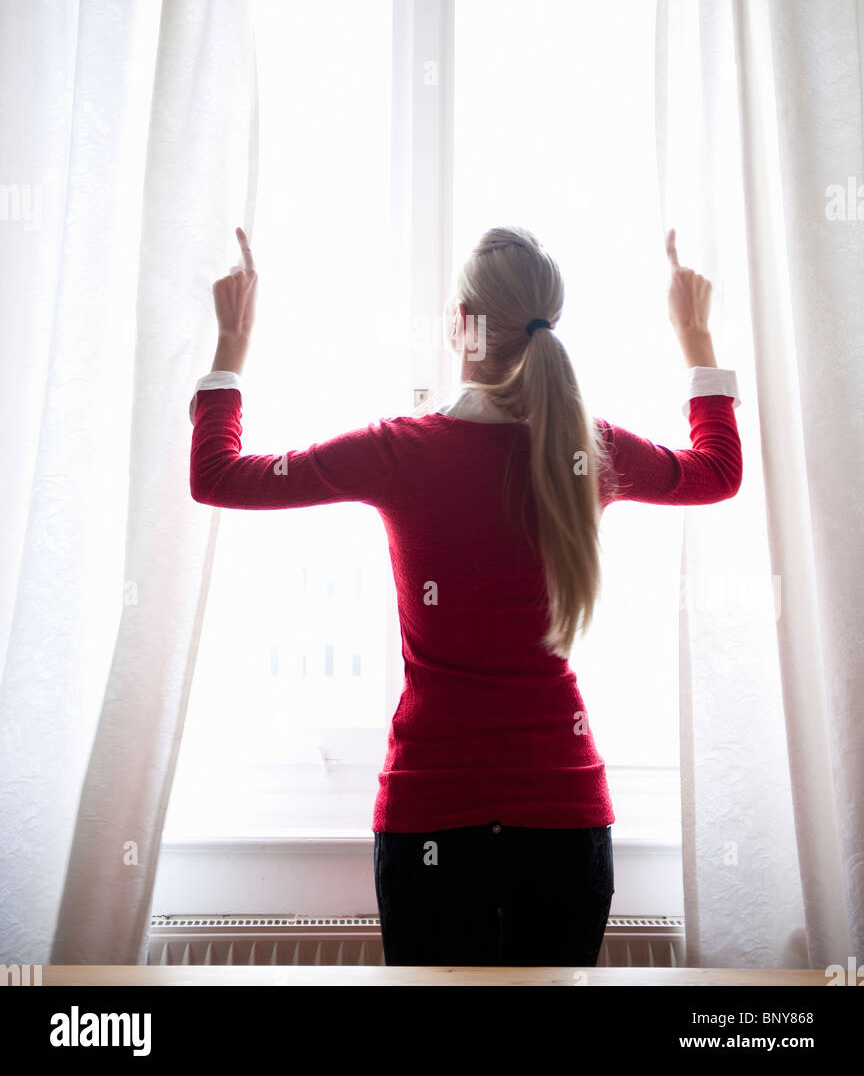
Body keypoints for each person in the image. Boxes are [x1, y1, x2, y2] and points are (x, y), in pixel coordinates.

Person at [189, 223, 742, 967]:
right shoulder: (590, 449)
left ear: (460, 326)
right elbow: (718, 472)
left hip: (431, 820)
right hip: (564, 820)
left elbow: (218, 476)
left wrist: (232, 344)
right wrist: (695, 335)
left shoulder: (397, 450)